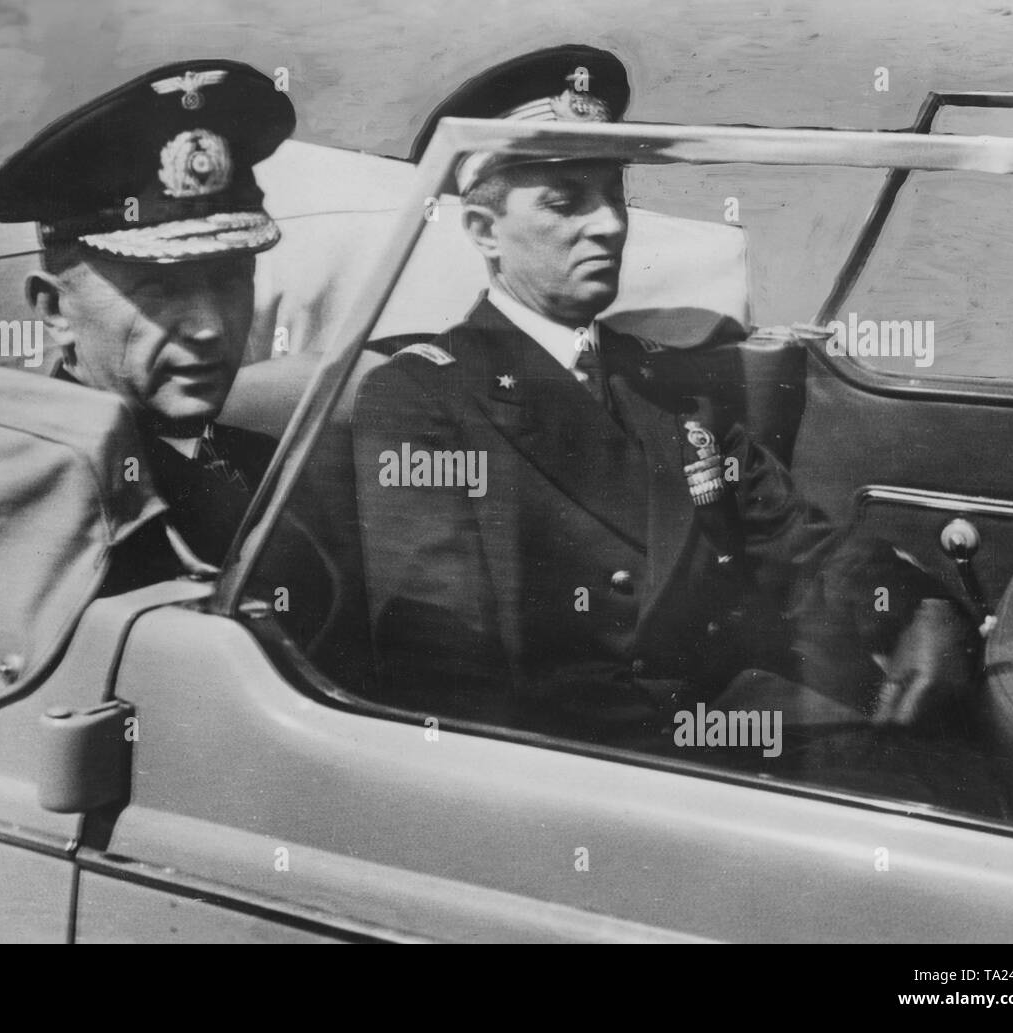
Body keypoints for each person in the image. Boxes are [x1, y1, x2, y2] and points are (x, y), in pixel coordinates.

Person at [352, 46, 980, 752]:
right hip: (599, 771)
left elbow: (795, 543)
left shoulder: (661, 378)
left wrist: (917, 606)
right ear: (483, 231)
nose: (609, 225)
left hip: (729, 720)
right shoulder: (422, 399)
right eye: (565, 202)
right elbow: (441, 663)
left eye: (613, 194)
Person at [0, 60, 294, 584]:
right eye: (161, 289)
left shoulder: (266, 465)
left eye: (231, 278)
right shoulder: (42, 504)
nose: (210, 327)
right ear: (55, 311)